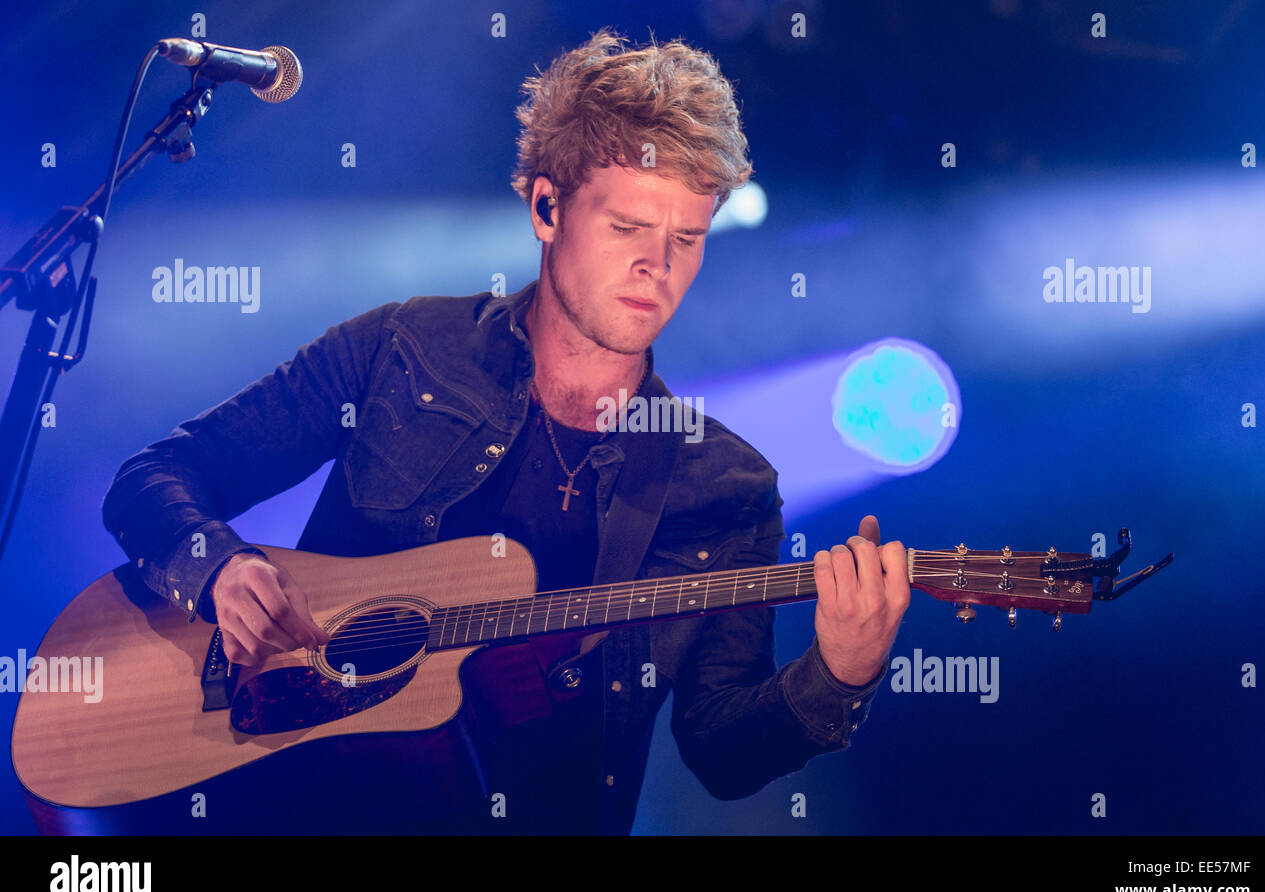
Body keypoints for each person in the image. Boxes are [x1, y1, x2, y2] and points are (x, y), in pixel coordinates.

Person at [102, 27, 909, 835]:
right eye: (629, 228)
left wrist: (840, 672)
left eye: (687, 238)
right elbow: (153, 477)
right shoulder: (405, 347)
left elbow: (721, 752)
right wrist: (219, 569)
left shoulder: (725, 485)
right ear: (546, 207)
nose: (658, 267)